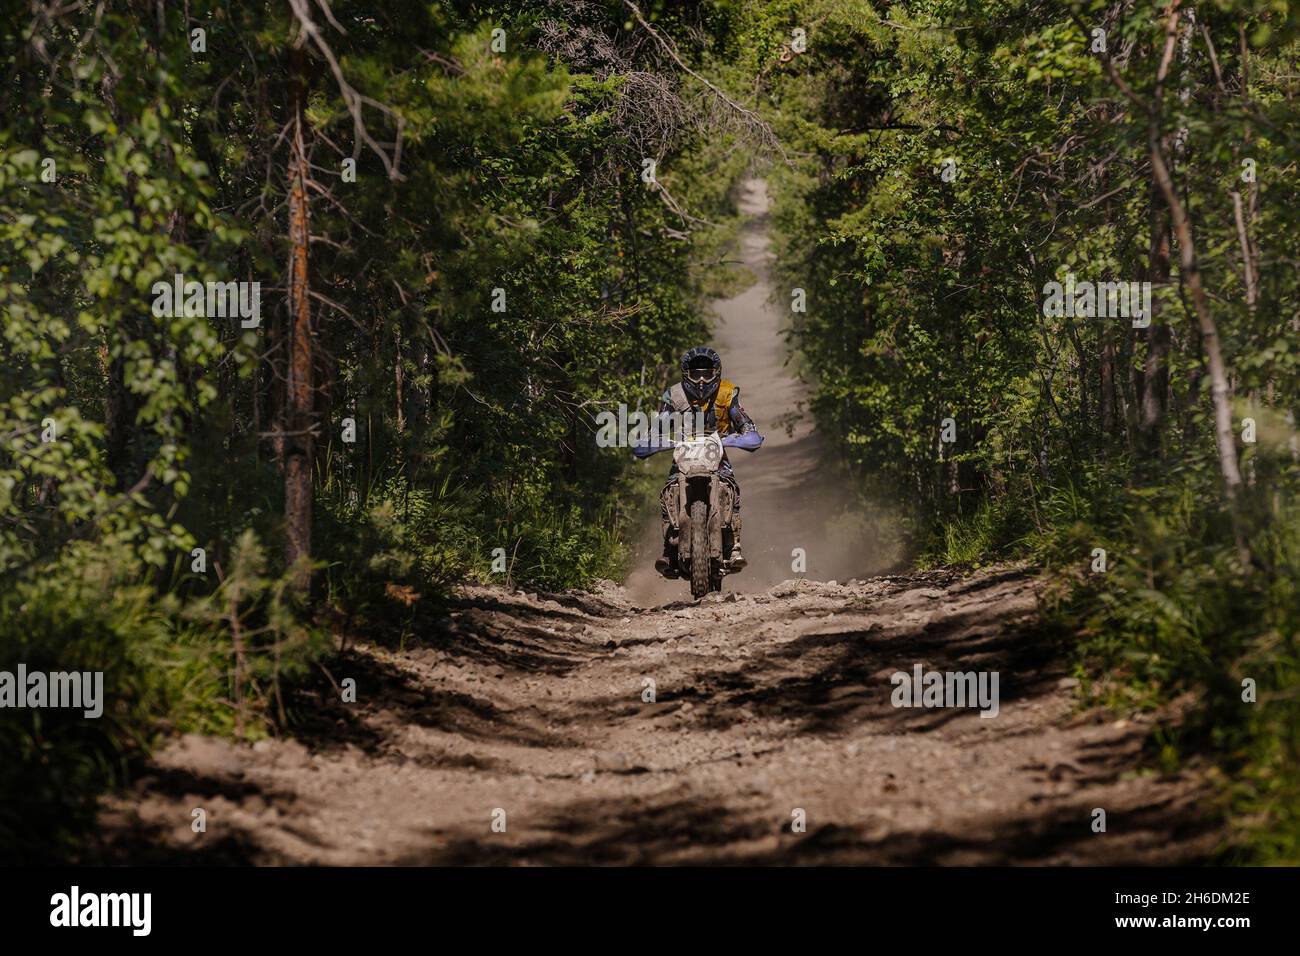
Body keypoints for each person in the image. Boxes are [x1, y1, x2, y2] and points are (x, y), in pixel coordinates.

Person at [652, 346, 762, 578]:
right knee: (668, 490)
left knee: (730, 486)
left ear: (716, 372)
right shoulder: (674, 395)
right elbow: (660, 425)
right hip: (684, 454)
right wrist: (652, 438)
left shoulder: (727, 393)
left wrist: (746, 433)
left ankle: (734, 546)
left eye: (707, 373)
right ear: (686, 374)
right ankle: (668, 550)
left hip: (716, 454)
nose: (701, 380)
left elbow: (744, 422)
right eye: (696, 374)